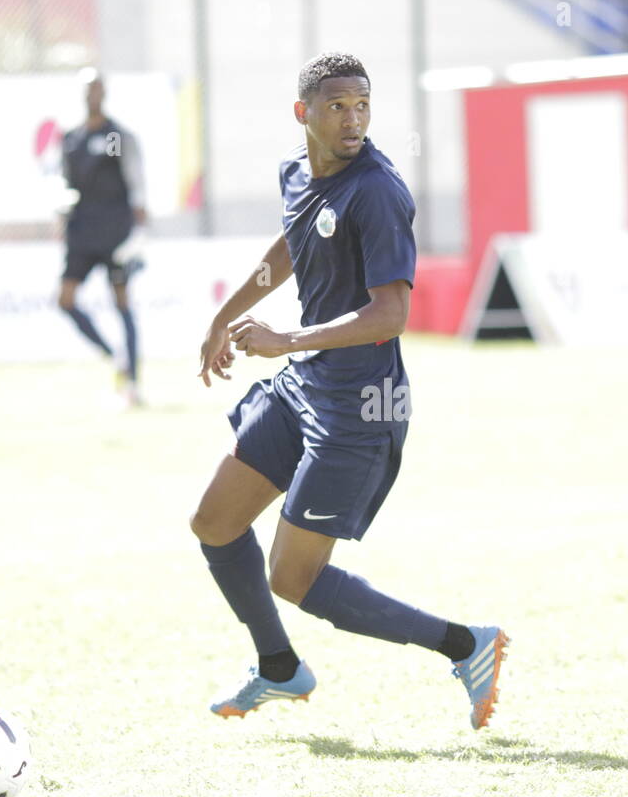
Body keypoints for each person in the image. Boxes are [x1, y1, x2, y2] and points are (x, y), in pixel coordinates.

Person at [190, 52, 509, 730]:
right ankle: (278, 667)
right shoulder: (296, 171)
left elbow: (391, 314)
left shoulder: (379, 192)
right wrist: (223, 320)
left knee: (292, 578)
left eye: (362, 105)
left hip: (361, 407)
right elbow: (290, 245)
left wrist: (287, 340)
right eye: (337, 107)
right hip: (306, 385)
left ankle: (466, 644)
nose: (353, 120)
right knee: (214, 521)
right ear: (303, 112)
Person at [57, 68, 146, 407]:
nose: (93, 94)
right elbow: (65, 183)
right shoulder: (71, 139)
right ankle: (115, 357)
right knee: (65, 300)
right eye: (88, 89)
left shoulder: (115, 136)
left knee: (122, 303)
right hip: (81, 232)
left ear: (104, 94)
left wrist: (138, 230)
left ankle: (133, 383)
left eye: (98, 88)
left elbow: (135, 182)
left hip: (114, 232)